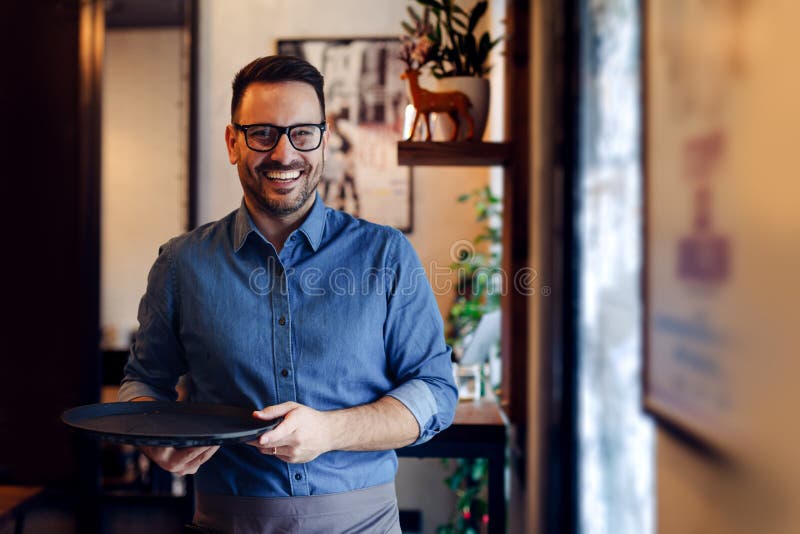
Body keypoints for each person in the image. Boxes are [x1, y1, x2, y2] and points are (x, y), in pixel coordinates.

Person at [118, 55, 458, 533]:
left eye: (302, 133)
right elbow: (141, 383)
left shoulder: (386, 254)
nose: (284, 154)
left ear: (323, 140)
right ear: (233, 142)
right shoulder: (181, 263)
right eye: (262, 133)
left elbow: (436, 393)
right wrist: (153, 437)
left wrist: (330, 431)